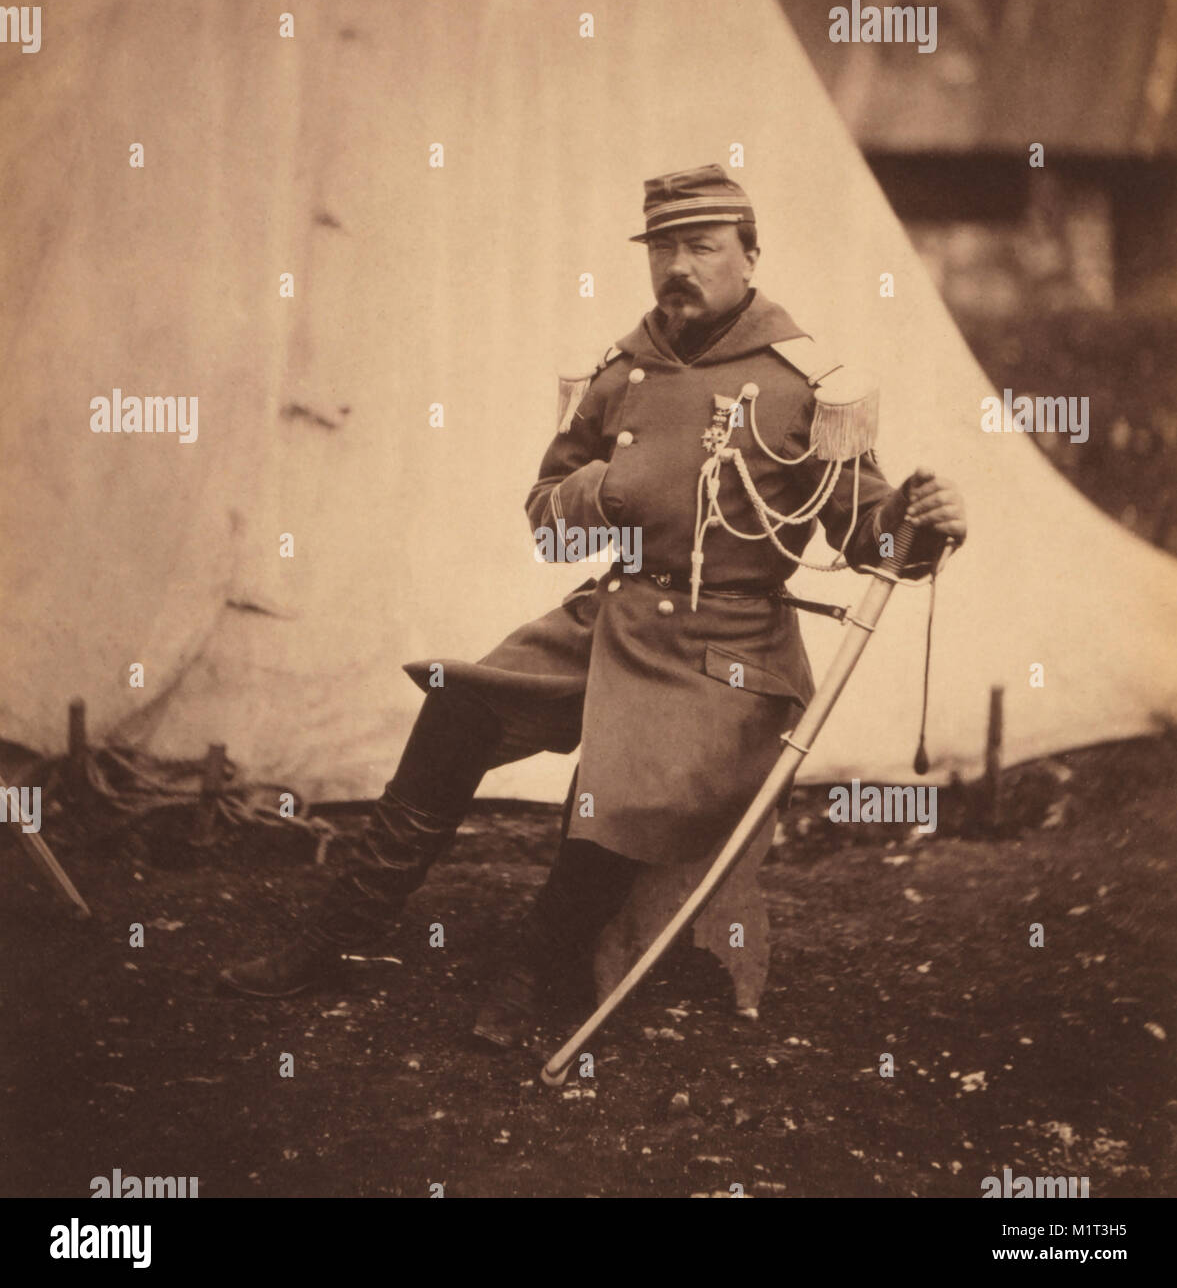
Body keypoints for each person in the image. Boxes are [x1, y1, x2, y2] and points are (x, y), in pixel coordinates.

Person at [221, 164, 967, 1046]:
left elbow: (863, 539)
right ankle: (339, 931)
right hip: (610, 616)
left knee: (624, 778)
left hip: (725, 653)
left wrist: (917, 522)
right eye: (663, 247)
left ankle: (536, 966)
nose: (678, 266)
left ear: (749, 256)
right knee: (458, 706)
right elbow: (547, 523)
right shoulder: (623, 371)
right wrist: (602, 491)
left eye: (702, 246)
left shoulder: (803, 384)